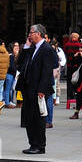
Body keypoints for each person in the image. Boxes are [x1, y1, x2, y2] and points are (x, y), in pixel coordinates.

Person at [18, 24, 58, 154]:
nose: (29, 35)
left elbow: (47, 71)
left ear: (38, 34)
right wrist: (26, 46)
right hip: (28, 88)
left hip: (38, 90)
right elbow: (20, 64)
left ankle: (39, 145)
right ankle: (32, 143)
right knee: (29, 118)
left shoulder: (46, 49)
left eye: (31, 32)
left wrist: (42, 90)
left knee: (38, 118)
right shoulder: (32, 48)